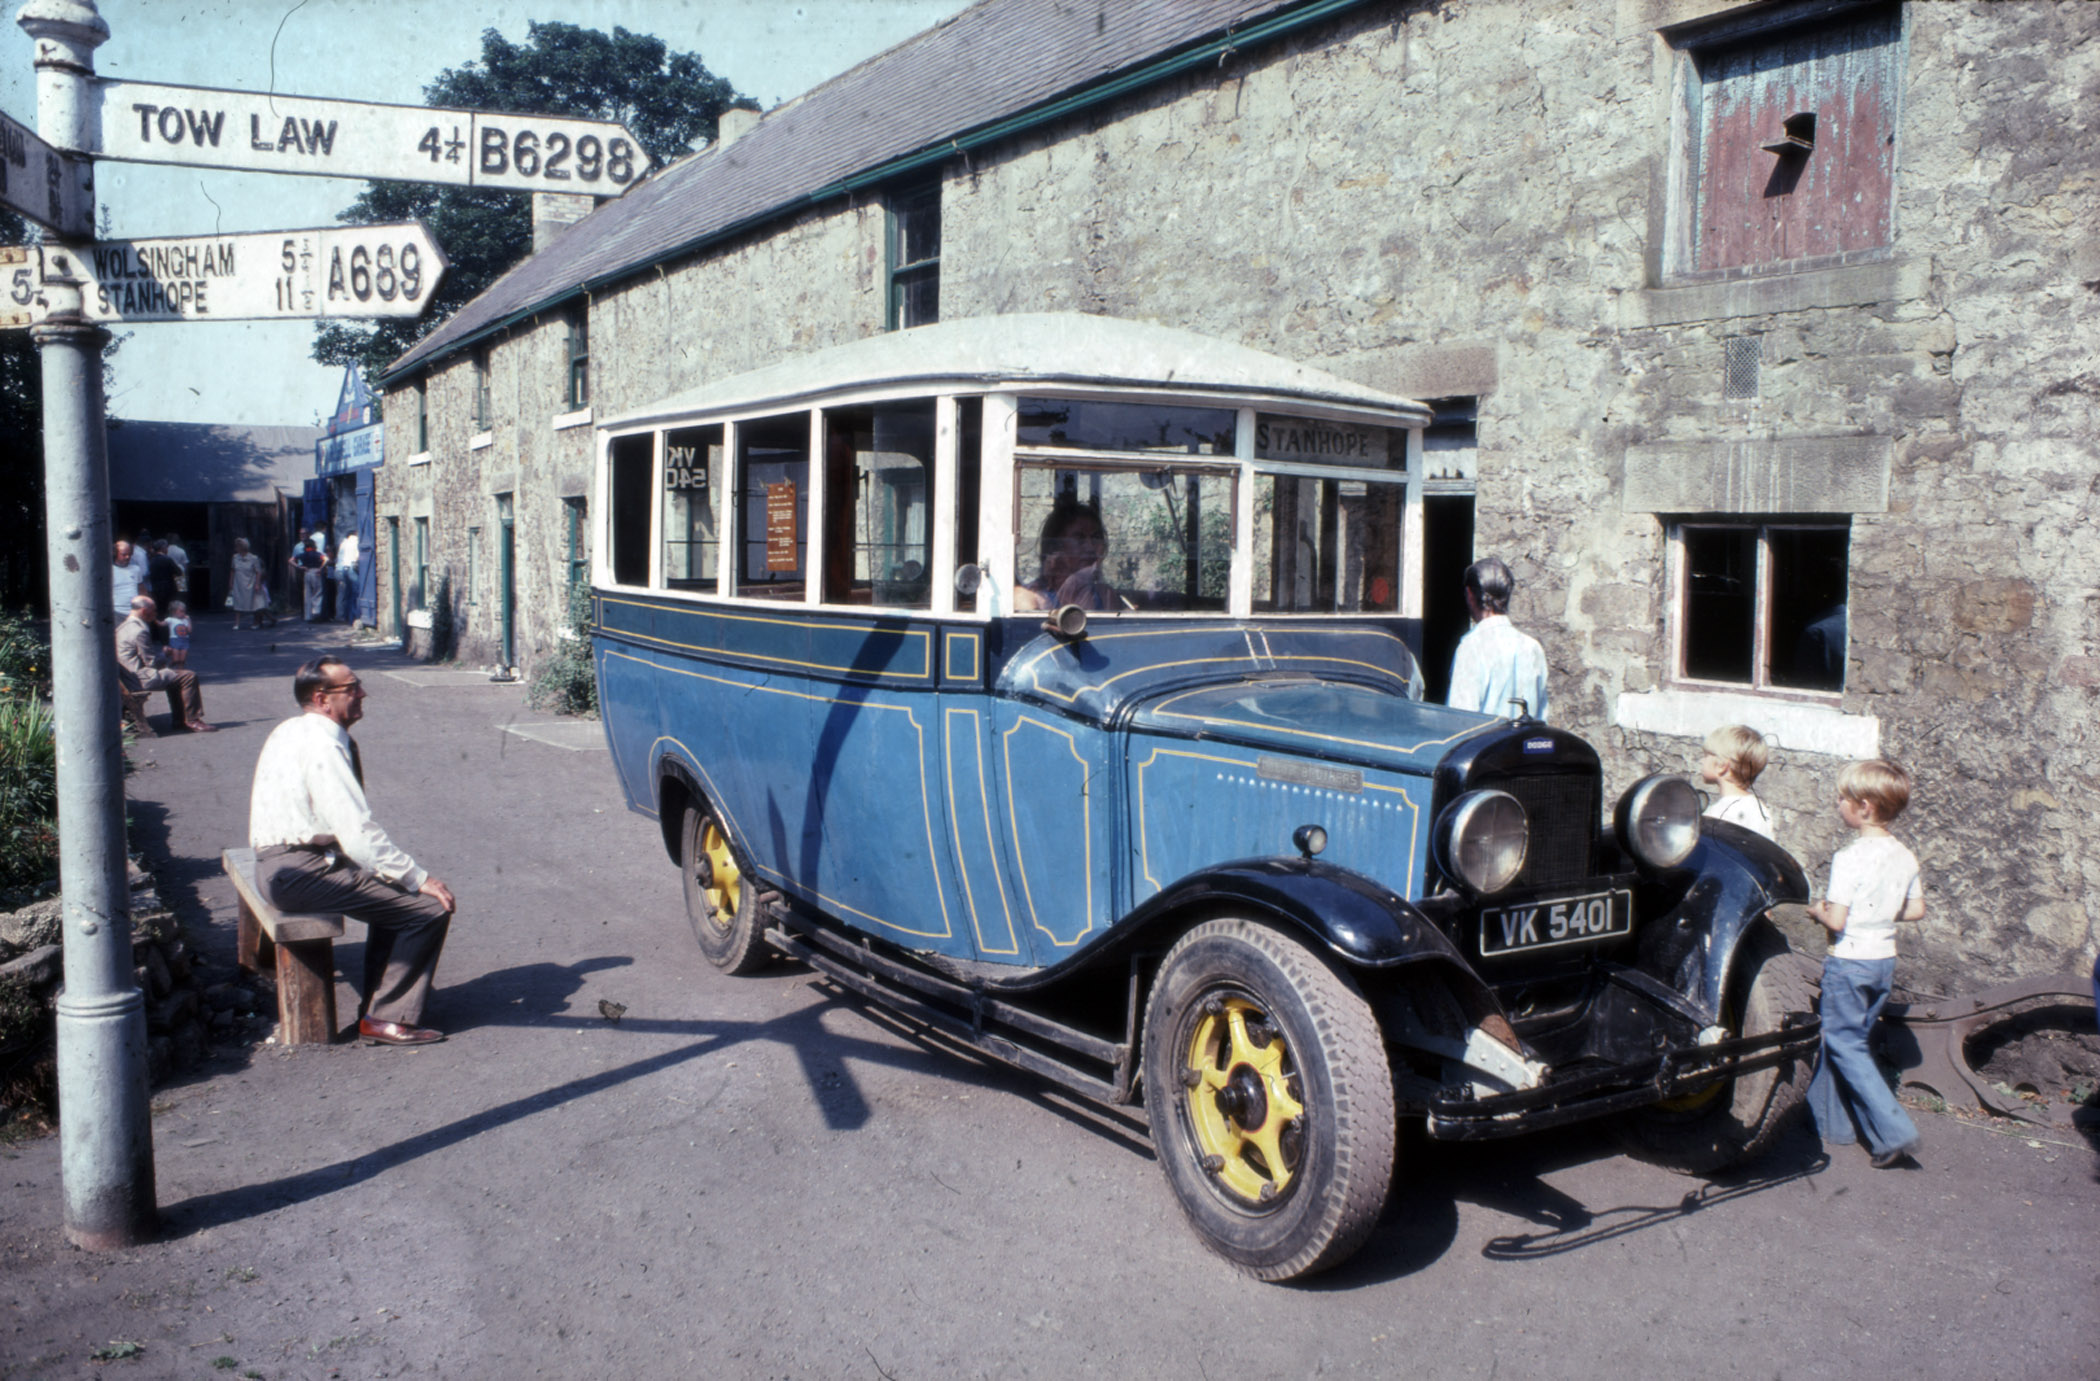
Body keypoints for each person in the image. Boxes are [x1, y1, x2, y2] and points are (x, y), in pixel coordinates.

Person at [248, 656, 458, 1046]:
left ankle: (378, 1006)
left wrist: (391, 872)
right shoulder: (324, 745)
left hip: (279, 864)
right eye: (352, 688)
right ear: (322, 698)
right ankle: (385, 1017)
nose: (363, 693)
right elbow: (357, 832)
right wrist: (419, 877)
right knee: (428, 908)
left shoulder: (291, 730)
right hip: (300, 871)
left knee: (393, 896)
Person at [1805, 759, 1924, 1169]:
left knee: (1845, 1043)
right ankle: (1827, 1125)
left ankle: (1894, 1131)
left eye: (1843, 798)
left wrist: (1816, 910)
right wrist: (1879, 911)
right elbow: (1916, 910)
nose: (1838, 804)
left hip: (1850, 961)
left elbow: (1836, 920)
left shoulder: (1850, 857)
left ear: (1866, 806)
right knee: (1838, 1038)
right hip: (1882, 962)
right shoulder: (1905, 856)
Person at [1446, 556, 1549, 720]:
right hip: (1524, 744)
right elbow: (1541, 718)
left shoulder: (1471, 648)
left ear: (1470, 594)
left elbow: (1460, 723)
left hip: (1488, 745)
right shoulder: (1533, 648)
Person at [115, 595, 212, 732]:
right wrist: (165, 654)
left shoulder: (122, 627)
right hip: (139, 679)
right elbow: (151, 662)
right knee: (188, 676)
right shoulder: (139, 631)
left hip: (127, 677)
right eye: (153, 611)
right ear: (144, 611)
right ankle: (192, 720)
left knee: (174, 675)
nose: (155, 614)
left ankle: (181, 720)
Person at [1012, 500, 1123, 612]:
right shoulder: (1030, 598)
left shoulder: (1105, 596)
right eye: (1079, 538)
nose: (1090, 547)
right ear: (1056, 547)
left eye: (1095, 537)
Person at [1700, 724, 1776, 841]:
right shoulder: (1760, 808)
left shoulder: (1717, 815)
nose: (1701, 761)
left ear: (1721, 766)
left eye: (1706, 756)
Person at [229, 537, 267, 630]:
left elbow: (258, 571)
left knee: (254, 603)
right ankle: (237, 623)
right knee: (237, 603)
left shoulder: (253, 558)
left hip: (250, 582)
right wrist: (231, 582)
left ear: (243, 547)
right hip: (238, 583)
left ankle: (256, 622)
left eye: (238, 546)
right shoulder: (235, 557)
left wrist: (257, 584)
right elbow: (232, 570)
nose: (236, 547)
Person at [291, 537, 327, 621]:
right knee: (317, 592)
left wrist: (299, 567)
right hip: (316, 572)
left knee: (307, 594)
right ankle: (316, 612)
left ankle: (308, 616)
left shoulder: (302, 554)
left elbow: (291, 560)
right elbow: (326, 559)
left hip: (306, 572)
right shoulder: (317, 554)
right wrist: (321, 568)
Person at [111, 539, 144, 616]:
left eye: (129, 554)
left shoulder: (136, 569)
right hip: (117, 612)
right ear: (115, 553)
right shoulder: (109, 571)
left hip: (134, 612)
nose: (127, 557)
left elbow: (142, 589)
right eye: (124, 554)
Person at [335, 527, 362, 623]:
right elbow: (358, 556)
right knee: (356, 593)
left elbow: (340, 557)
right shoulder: (356, 542)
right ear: (356, 533)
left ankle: (347, 617)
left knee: (347, 594)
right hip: (352, 568)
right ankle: (355, 617)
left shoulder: (344, 543)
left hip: (343, 569)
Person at [165, 600, 193, 668]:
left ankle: (181, 672)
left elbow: (189, 631)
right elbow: (161, 624)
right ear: (174, 612)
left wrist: (188, 620)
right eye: (181, 611)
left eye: (184, 611)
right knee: (176, 660)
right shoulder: (170, 619)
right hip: (175, 640)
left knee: (182, 660)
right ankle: (168, 667)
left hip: (184, 641)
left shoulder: (185, 620)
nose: (184, 613)